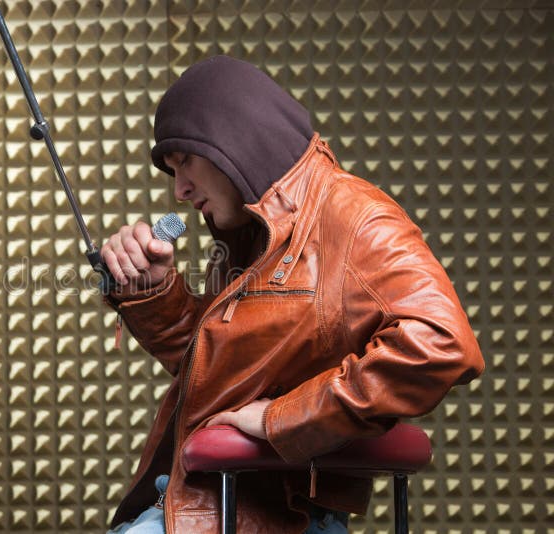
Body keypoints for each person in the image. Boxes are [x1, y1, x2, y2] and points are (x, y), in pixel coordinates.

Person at [100, 55, 484, 534]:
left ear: (229, 140)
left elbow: (442, 344)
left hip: (278, 515)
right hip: (205, 502)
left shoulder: (355, 217)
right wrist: (153, 291)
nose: (179, 191)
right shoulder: (253, 236)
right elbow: (222, 378)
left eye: (185, 163)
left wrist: (282, 420)